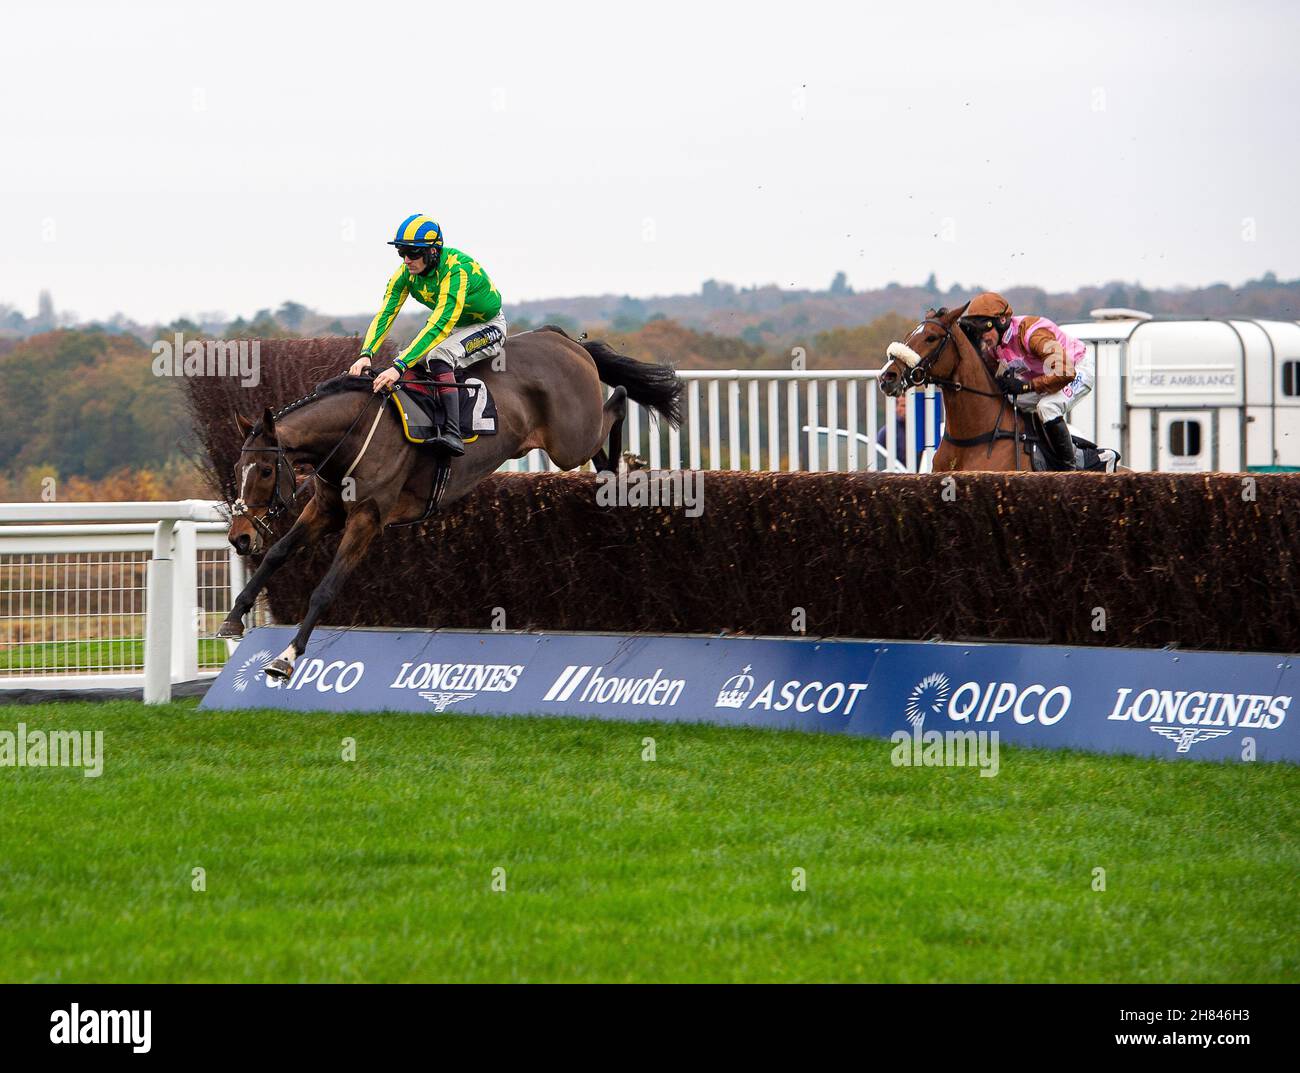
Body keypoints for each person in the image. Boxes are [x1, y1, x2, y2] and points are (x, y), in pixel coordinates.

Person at [348, 215, 506, 455]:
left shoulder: (456, 270)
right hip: (454, 325)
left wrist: (399, 366)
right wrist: (366, 353)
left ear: (433, 251)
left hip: (487, 326)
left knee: (438, 355)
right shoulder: (406, 273)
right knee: (408, 358)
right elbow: (386, 313)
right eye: (401, 252)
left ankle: (453, 432)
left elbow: (439, 325)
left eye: (413, 253)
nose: (406, 260)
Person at [960, 292, 1093, 470]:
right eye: (978, 331)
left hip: (1076, 370)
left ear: (1001, 321)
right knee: (1007, 401)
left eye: (985, 329)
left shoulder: (1032, 334)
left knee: (1047, 407)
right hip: (1047, 378)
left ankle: (1069, 469)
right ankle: (1037, 450)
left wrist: (1025, 386)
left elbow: (1065, 372)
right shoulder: (995, 345)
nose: (982, 336)